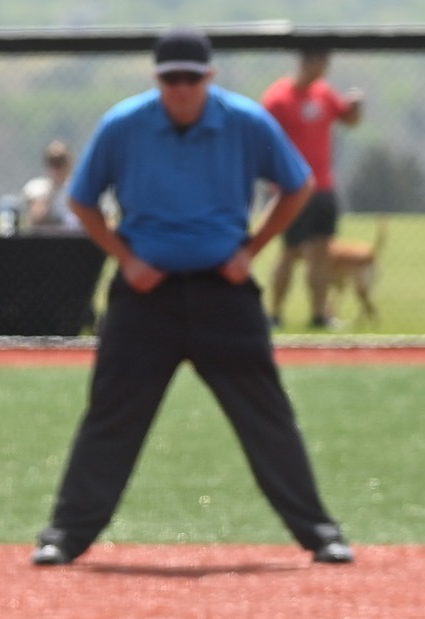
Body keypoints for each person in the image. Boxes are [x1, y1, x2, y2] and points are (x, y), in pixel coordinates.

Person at [32, 28, 353, 568]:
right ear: (157, 80)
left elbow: (298, 184)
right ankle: (64, 535)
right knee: (111, 414)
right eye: (171, 78)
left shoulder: (246, 121)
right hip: (145, 296)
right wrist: (126, 258)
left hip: (224, 292)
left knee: (266, 414)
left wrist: (252, 249)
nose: (181, 88)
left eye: (191, 78)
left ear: (211, 78)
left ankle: (320, 532)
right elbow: (83, 200)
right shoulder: (125, 124)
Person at [262, 48, 364, 329]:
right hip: (292, 186)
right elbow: (262, 137)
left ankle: (320, 315)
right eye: (317, 60)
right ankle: (275, 313)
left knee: (321, 253)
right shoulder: (278, 98)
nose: (322, 68)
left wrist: (356, 106)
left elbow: (350, 120)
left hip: (323, 185)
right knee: (290, 252)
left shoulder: (324, 94)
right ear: (305, 61)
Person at [21, 140, 81, 232]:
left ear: (69, 163)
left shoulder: (78, 189)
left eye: (60, 161)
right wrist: (48, 196)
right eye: (52, 162)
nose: (56, 167)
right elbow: (37, 219)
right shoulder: (38, 188)